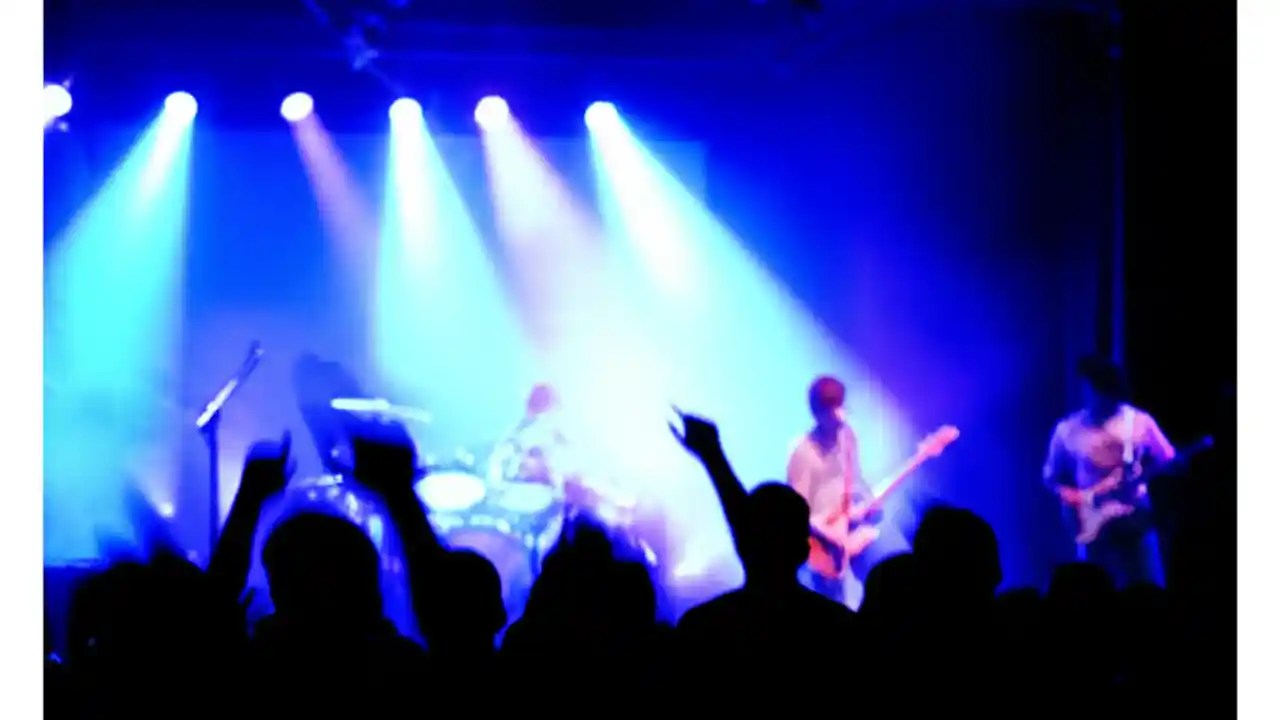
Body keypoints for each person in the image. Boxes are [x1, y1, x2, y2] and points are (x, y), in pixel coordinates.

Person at [1043, 355, 1175, 588]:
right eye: (1091, 389)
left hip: (1134, 521)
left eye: (1101, 389)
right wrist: (1074, 499)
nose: (1096, 395)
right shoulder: (1067, 429)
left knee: (1147, 589)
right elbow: (1052, 477)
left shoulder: (1138, 422)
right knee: (1093, 592)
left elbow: (1168, 459)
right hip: (1093, 527)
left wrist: (1144, 474)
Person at [785, 375, 871, 608]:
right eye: (831, 413)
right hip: (818, 545)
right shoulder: (802, 452)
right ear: (816, 414)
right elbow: (797, 513)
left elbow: (853, 482)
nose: (839, 417)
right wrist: (832, 535)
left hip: (846, 529)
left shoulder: (848, 436)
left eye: (841, 407)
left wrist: (860, 505)